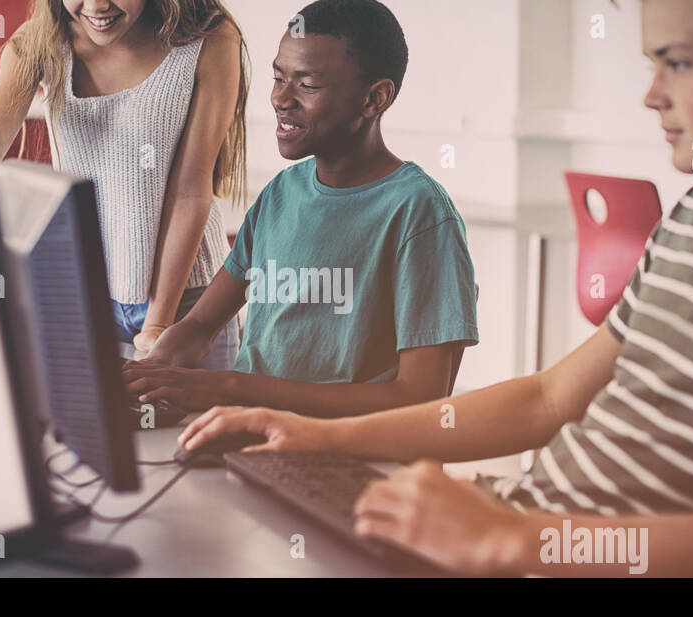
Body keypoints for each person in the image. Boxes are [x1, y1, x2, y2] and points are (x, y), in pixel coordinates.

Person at [177, 0, 693, 576]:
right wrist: (316, 434)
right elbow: (546, 400)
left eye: (676, 62)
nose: (651, 96)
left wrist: (514, 537)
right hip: (527, 531)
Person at [122, 0, 479, 417]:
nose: (281, 99)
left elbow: (420, 399)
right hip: (256, 440)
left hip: (350, 462)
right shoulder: (280, 194)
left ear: (375, 98)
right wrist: (149, 373)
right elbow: (199, 327)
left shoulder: (419, 214)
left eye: (307, 84)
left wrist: (234, 388)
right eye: (278, 77)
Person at [0, 0, 248, 369]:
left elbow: (189, 191)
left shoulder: (211, 40)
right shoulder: (40, 41)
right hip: (87, 295)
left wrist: (157, 325)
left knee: (189, 427)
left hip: (189, 303)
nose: (96, 6)